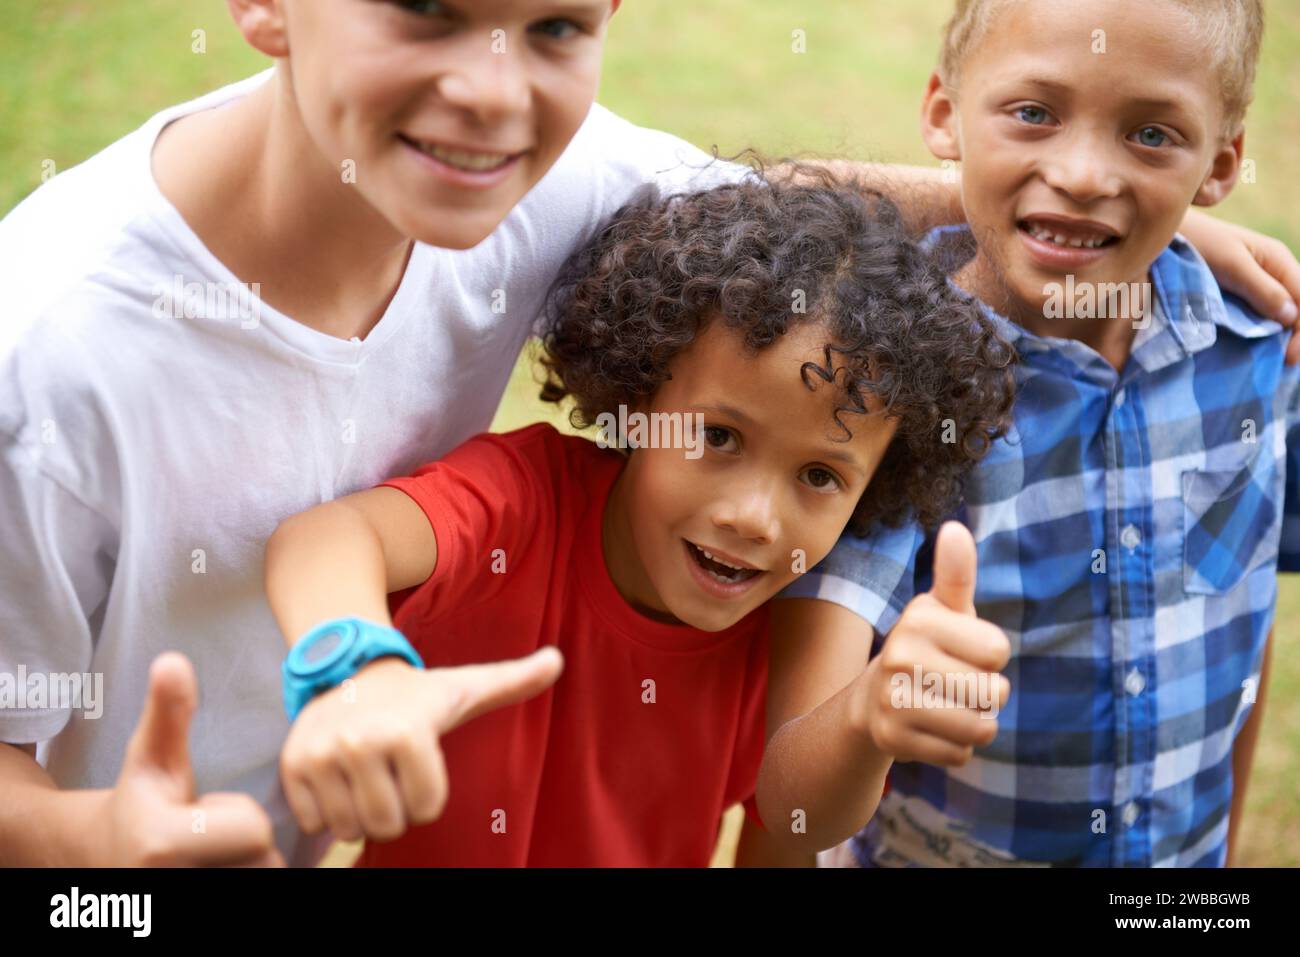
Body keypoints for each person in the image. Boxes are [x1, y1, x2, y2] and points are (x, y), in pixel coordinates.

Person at [0, 0, 1292, 868]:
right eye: (428, 7)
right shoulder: (51, 348)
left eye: (556, 22)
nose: (493, 94)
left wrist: (1124, 229)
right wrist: (102, 845)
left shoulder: (539, 176)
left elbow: (773, 213)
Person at [263, 175, 1016, 865]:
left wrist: (866, 714)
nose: (753, 517)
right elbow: (326, 539)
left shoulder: (792, 626)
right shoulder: (521, 506)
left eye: (820, 475)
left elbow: (794, 825)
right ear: (641, 389)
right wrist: (358, 673)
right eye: (718, 437)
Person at [753, 0, 1296, 867]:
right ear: (943, 113)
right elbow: (783, 804)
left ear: (1223, 161)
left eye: (1152, 134)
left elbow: (1244, 617)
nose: (1082, 174)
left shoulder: (1260, 351)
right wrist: (868, 714)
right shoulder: (882, 386)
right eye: (1034, 113)